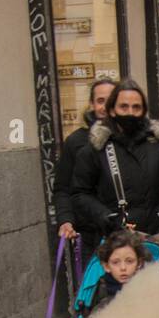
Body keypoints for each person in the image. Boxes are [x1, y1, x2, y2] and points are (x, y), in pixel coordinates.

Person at [70, 79, 159, 296]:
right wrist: (103, 215)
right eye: (124, 107)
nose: (130, 113)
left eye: (136, 107)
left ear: (143, 110)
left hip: (157, 237)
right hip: (115, 241)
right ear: (112, 110)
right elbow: (79, 193)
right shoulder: (95, 149)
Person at [53, 77, 116, 247]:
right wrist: (66, 220)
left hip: (129, 230)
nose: (106, 106)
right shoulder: (76, 141)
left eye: (111, 100)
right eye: (100, 101)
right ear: (92, 104)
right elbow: (63, 188)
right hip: (90, 233)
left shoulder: (134, 139)